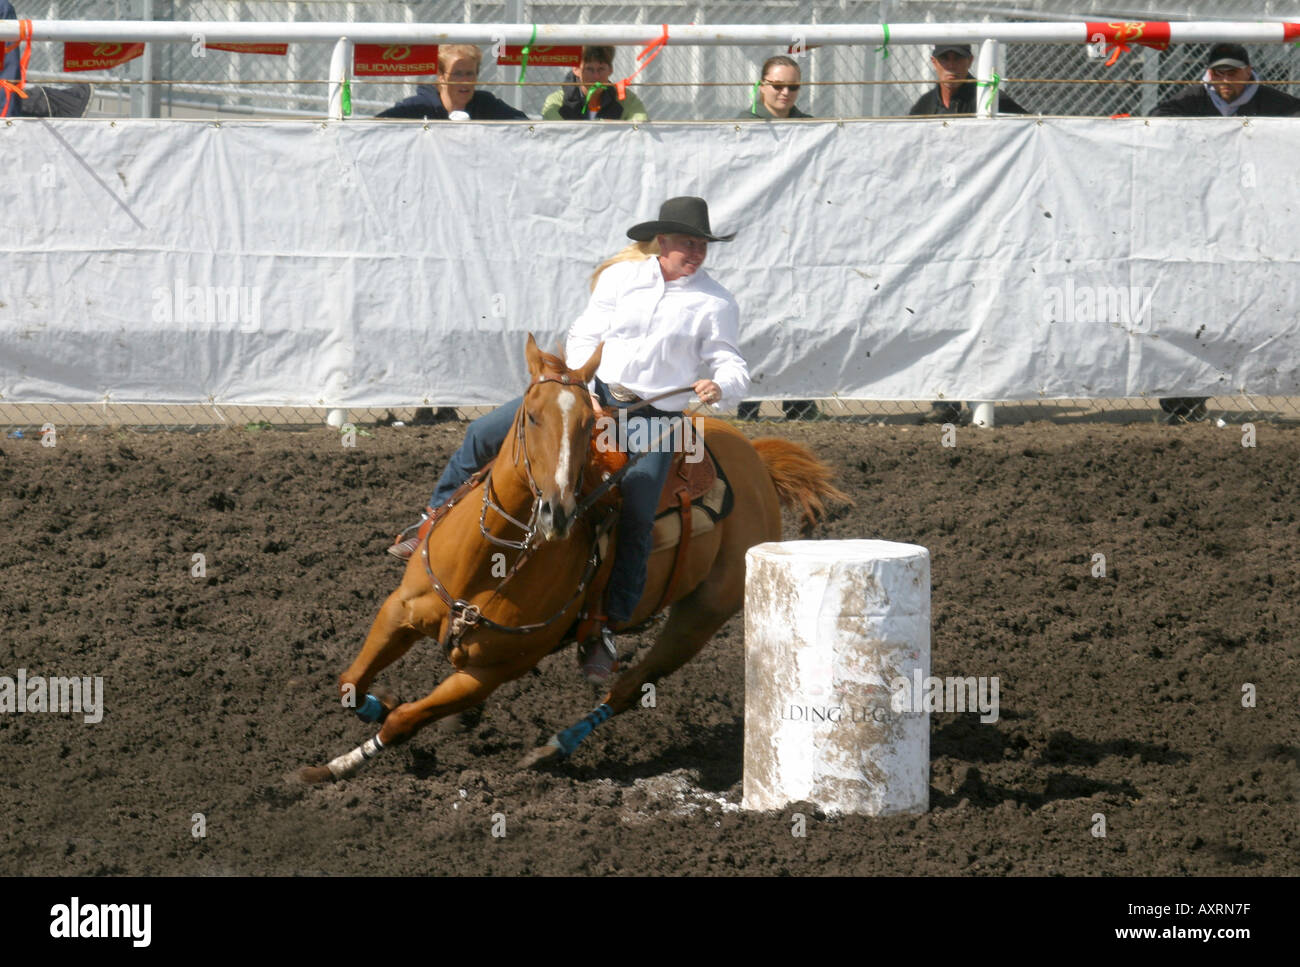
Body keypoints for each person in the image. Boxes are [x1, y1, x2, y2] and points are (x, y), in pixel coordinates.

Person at [388, 197, 748, 685]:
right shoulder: (622, 279)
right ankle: (431, 520)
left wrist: (721, 385)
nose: (697, 251)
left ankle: (603, 625)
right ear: (662, 242)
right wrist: (581, 388)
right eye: (688, 241)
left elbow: (729, 360)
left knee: (639, 510)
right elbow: (584, 333)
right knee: (483, 432)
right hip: (591, 399)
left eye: (703, 243)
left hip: (652, 417)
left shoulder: (716, 302)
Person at [1151, 43, 1300, 424]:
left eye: (1233, 72)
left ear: (1250, 71)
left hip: (1267, 224)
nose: (1225, 80)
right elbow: (1156, 123)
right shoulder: (1189, 101)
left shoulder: (1279, 104)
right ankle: (1184, 403)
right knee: (1194, 311)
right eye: (1218, 73)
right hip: (1202, 224)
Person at [735, 55, 817, 422]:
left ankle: (799, 400)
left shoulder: (814, 129)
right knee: (751, 316)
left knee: (799, 317)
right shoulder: (740, 127)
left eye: (793, 87)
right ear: (761, 85)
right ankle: (747, 401)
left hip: (800, 240)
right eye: (778, 85)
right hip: (753, 241)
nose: (785, 93)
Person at [375, 44, 527, 120]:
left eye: (470, 74)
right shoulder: (417, 107)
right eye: (457, 74)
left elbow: (525, 127)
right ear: (440, 75)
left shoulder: (486, 104)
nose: (465, 81)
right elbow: (378, 128)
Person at [908, 43, 1030, 117]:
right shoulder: (924, 106)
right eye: (944, 58)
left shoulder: (989, 98)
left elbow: (1028, 128)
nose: (951, 65)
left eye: (958, 58)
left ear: (970, 61)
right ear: (934, 63)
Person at [540, 45, 648, 121]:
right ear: (576, 69)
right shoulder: (557, 102)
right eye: (589, 69)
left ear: (610, 69)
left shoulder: (626, 100)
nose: (596, 76)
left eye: (601, 69)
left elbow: (640, 129)